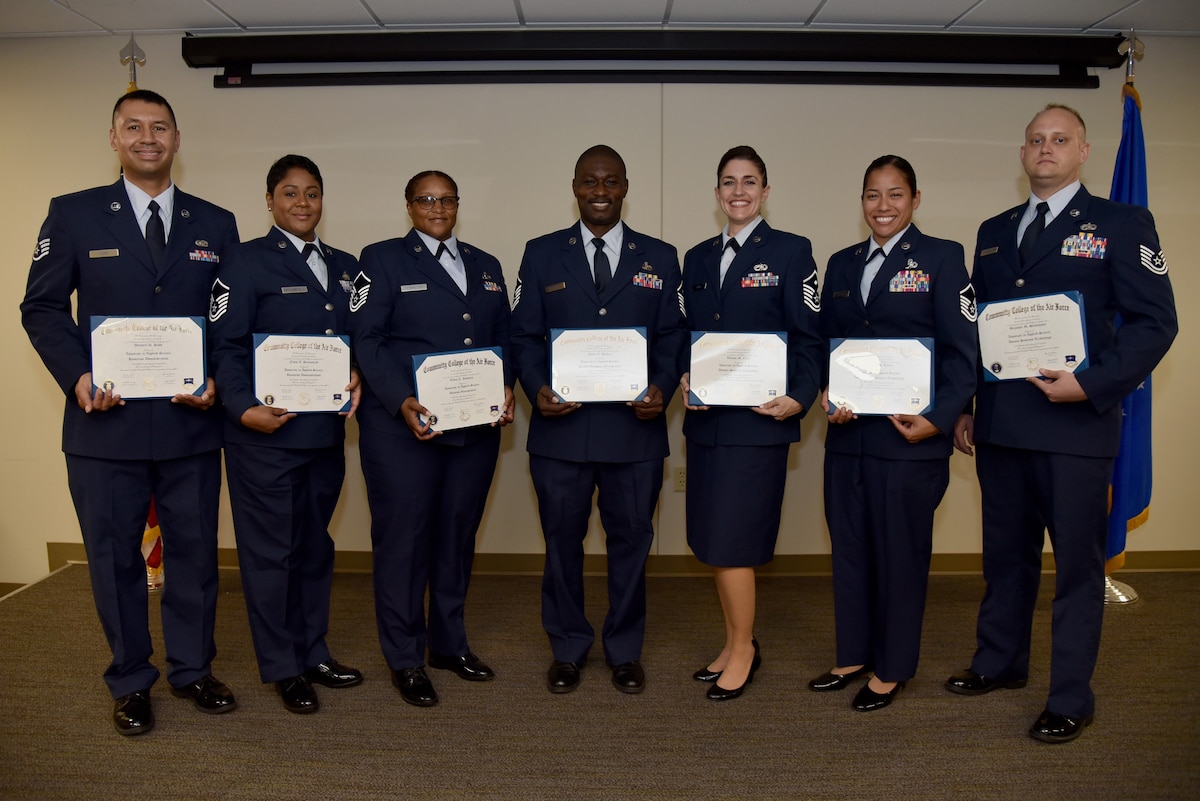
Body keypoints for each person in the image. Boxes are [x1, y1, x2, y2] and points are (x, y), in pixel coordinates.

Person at [947, 104, 1177, 743]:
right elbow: (977, 328)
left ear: (1083, 152)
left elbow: (1156, 323)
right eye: (1035, 140)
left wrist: (1092, 383)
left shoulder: (1121, 223)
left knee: (1077, 569)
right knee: (1005, 558)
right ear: (1023, 153)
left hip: (1076, 427)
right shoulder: (994, 231)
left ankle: (1071, 696)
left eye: (1059, 139)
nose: (1045, 148)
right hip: (1003, 426)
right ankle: (1001, 661)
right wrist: (965, 404)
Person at [20, 89, 239, 735]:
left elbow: (229, 320)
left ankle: (192, 669)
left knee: (194, 557)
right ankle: (130, 679)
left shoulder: (216, 222)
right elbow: (41, 308)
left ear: (177, 139)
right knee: (115, 559)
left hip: (189, 424)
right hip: (104, 427)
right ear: (114, 138)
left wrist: (218, 379)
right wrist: (78, 375)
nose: (148, 137)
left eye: (160, 127)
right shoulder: (73, 213)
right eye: (134, 126)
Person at [510, 144, 686, 695]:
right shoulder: (541, 254)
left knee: (631, 542)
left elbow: (674, 336)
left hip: (635, 433)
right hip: (560, 433)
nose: (601, 191)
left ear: (626, 187)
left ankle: (624, 649)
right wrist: (536, 388)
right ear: (575, 187)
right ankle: (567, 647)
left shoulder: (660, 256)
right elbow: (523, 336)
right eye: (590, 181)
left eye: (611, 181)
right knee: (561, 542)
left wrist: (663, 388)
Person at [811, 155, 977, 711]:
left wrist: (940, 416)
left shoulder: (942, 258)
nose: (883, 206)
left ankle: (893, 667)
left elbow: (963, 352)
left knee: (901, 557)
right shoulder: (841, 263)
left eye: (895, 194)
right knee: (850, 550)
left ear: (915, 199)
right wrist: (827, 393)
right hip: (848, 439)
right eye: (872, 195)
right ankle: (853, 654)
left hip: (910, 440)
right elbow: (828, 344)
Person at [349, 170, 514, 707]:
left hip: (472, 431)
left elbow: (504, 337)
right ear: (409, 205)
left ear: (458, 205)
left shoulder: (486, 265)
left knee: (455, 538)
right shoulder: (380, 260)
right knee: (404, 543)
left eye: (446, 199)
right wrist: (401, 400)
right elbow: (367, 340)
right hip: (401, 431)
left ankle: (448, 644)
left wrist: (506, 384)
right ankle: (404, 657)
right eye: (426, 199)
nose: (437, 208)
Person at [208, 154, 364, 714]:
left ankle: (313, 651)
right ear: (270, 200)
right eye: (290, 192)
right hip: (262, 438)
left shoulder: (347, 267)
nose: (303, 202)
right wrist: (241, 408)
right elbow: (224, 345)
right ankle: (282, 667)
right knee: (271, 556)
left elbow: (359, 337)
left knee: (315, 548)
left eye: (312, 192)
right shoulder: (243, 261)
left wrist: (357, 372)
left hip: (324, 437)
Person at [678, 146, 822, 701]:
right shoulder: (696, 258)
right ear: (716, 193)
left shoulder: (791, 252)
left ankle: (743, 651)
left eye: (749, 181)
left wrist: (800, 397)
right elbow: (686, 336)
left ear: (765, 191)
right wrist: (686, 376)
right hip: (707, 425)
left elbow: (808, 337)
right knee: (713, 540)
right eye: (728, 182)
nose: (738, 191)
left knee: (734, 543)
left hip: (759, 426)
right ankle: (735, 640)